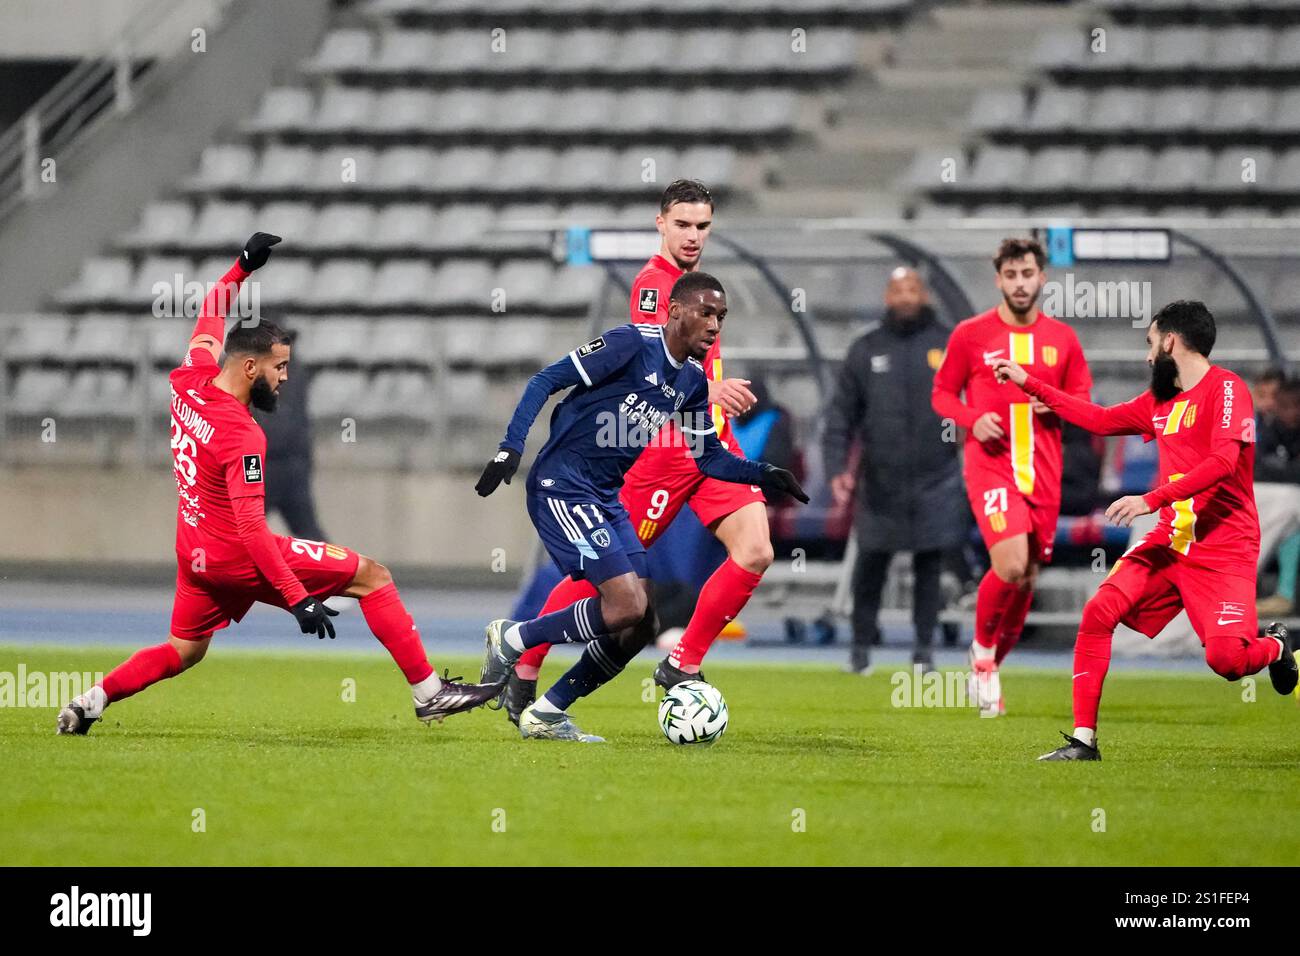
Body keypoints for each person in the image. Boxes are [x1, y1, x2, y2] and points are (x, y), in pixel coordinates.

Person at [56, 233, 500, 735]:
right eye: (279, 367)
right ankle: (429, 694)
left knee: (183, 650)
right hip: (236, 555)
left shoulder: (189, 379)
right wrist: (298, 597)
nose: (287, 377)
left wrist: (242, 267)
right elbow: (251, 528)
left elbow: (211, 309)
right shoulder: (243, 435)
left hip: (194, 554)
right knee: (373, 576)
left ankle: (89, 702)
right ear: (250, 367)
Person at [474, 272, 808, 742]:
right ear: (674, 311)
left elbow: (708, 456)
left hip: (605, 498)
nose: (715, 326)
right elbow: (545, 380)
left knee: (640, 622)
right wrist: (509, 448)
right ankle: (514, 638)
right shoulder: (629, 344)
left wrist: (763, 474)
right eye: (706, 313)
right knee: (625, 604)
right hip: (562, 486)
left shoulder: (691, 381)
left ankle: (547, 712)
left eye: (721, 317)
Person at [499, 180, 780, 725]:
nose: (693, 235)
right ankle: (527, 660)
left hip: (709, 441)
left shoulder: (702, 290)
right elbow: (650, 372)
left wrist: (712, 396)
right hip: (662, 450)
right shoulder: (655, 286)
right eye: (682, 224)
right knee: (607, 579)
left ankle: (682, 662)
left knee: (756, 551)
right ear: (661, 224)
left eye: (702, 226)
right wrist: (708, 387)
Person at [991, 300, 1297, 761]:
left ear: (1171, 340)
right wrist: (1028, 381)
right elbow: (1099, 418)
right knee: (1098, 614)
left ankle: (1275, 646)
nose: (1148, 355)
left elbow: (1222, 463)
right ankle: (1083, 742)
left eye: (1151, 343)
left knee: (1227, 661)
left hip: (1223, 548)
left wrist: (1150, 499)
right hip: (1170, 542)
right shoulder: (1159, 400)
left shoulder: (1228, 389)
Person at [931, 238, 1093, 716]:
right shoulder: (971, 333)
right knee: (1009, 563)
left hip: (1042, 472)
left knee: (1026, 578)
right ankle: (982, 653)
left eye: (1028, 275)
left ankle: (990, 666)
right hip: (992, 466)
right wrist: (970, 419)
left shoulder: (1062, 339)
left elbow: (1084, 399)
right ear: (998, 278)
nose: (1020, 284)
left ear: (1042, 277)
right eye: (1011, 276)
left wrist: (1057, 403)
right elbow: (942, 394)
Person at [824, 266, 964, 674]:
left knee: (929, 567)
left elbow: (975, 400)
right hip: (880, 480)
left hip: (936, 478)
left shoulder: (948, 344)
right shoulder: (866, 348)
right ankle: (861, 649)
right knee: (870, 565)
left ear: (923, 294)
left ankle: (924, 651)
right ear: (887, 297)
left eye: (913, 289)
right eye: (898, 290)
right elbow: (840, 416)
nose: (906, 296)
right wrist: (837, 468)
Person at [252, 328, 328, 543]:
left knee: (242, 529)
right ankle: (340, 573)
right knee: (309, 533)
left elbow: (280, 426)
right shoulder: (291, 370)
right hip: (285, 465)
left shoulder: (282, 373)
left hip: (275, 464)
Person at [1255, 377, 1300, 617]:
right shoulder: (1271, 429)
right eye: (1284, 406)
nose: (1290, 412)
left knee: (1293, 519)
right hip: (1276, 504)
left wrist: (1284, 468)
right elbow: (1258, 467)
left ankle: (1285, 594)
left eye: (1296, 405)